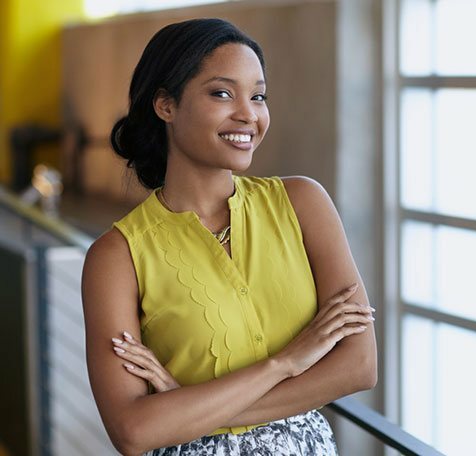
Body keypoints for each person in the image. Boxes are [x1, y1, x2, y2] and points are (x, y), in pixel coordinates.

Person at [81, 18, 377, 455]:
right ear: (166, 105)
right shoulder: (116, 256)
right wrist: (286, 363)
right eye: (222, 93)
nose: (248, 114)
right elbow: (133, 431)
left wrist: (185, 406)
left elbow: (359, 366)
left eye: (258, 96)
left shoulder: (303, 204)